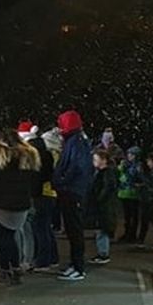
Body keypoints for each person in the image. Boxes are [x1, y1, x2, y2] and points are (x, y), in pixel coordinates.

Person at [0, 130, 38, 286]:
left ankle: (4, 271)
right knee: (12, 236)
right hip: (21, 203)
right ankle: (15, 269)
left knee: (3, 238)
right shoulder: (29, 157)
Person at [53, 110, 95, 282]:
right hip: (71, 191)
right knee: (72, 231)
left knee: (75, 231)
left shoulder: (76, 142)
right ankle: (75, 265)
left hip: (73, 192)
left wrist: (61, 181)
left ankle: (78, 268)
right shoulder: (76, 140)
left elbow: (76, 167)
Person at [21, 121, 59, 271]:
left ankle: (43, 261)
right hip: (50, 193)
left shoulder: (38, 159)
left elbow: (36, 179)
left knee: (40, 228)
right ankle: (52, 258)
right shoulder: (49, 155)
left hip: (41, 195)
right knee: (46, 228)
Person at [87, 149, 119, 265]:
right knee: (100, 230)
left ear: (103, 160)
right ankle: (102, 253)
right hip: (103, 206)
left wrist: (98, 200)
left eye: (96, 159)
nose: (93, 161)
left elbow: (107, 189)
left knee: (102, 230)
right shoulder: (102, 172)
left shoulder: (107, 173)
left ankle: (103, 254)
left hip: (104, 207)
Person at [117, 146, 143, 244]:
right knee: (127, 216)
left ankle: (132, 235)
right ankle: (127, 233)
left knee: (133, 215)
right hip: (124, 192)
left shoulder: (138, 166)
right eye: (128, 154)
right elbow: (119, 173)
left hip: (133, 193)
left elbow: (138, 178)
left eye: (131, 154)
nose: (129, 156)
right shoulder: (125, 164)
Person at [139, 153, 153, 250]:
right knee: (146, 219)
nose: (148, 163)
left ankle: (141, 240)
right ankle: (140, 240)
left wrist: (142, 177)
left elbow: (151, 184)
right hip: (149, 198)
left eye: (149, 161)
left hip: (152, 199)